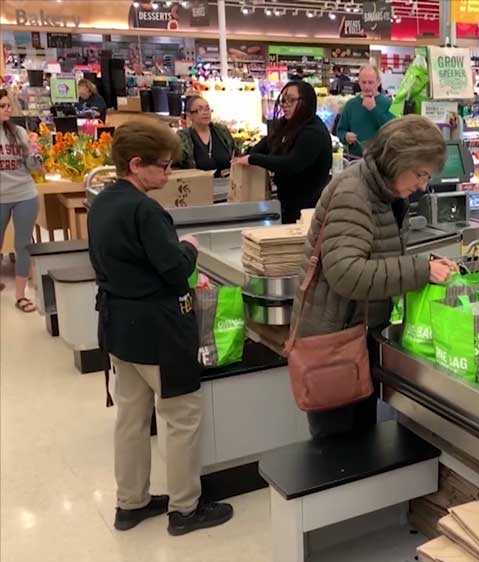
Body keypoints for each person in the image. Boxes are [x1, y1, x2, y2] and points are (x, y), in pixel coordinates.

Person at [88, 120, 233, 536]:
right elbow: (173, 271)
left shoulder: (101, 202)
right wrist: (188, 247)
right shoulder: (146, 210)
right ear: (137, 164)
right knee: (181, 417)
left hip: (117, 323)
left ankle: (130, 502)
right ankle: (186, 508)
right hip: (158, 329)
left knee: (131, 417)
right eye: (164, 167)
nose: (168, 175)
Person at [293, 115, 458, 439]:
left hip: (355, 334)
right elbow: (346, 273)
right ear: (398, 160)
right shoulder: (354, 193)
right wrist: (419, 270)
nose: (423, 185)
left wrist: (424, 266)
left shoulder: (384, 193)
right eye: (421, 174)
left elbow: (378, 255)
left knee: (360, 439)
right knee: (338, 449)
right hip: (335, 341)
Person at [233, 80, 332, 224]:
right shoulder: (287, 125)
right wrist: (247, 155)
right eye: (283, 100)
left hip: (308, 210)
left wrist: (253, 159)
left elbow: (292, 164)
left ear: (306, 102)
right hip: (286, 204)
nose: (285, 104)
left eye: (291, 100)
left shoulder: (313, 132)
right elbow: (267, 144)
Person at [0, 88, 42, 310]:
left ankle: (20, 295)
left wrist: (36, 154)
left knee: (23, 245)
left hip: (25, 193)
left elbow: (33, 167)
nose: (8, 109)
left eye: (9, 105)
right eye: (3, 106)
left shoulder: (18, 132)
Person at [335, 65, 394, 158]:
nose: (366, 86)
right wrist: (346, 136)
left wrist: (374, 109)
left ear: (378, 82)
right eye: (363, 82)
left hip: (381, 160)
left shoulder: (388, 103)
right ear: (359, 82)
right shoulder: (351, 105)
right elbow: (340, 131)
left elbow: (393, 131)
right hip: (355, 159)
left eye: (370, 82)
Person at [176, 96, 237, 175]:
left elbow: (235, 154)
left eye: (207, 109)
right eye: (200, 109)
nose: (205, 112)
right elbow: (178, 164)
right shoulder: (183, 136)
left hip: (226, 183)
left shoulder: (221, 131)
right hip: (198, 184)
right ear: (189, 115)